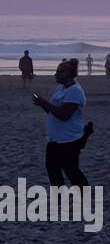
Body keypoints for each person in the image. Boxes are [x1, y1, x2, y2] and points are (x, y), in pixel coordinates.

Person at [33, 59, 91, 187]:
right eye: (57, 71)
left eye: (60, 71)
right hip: (55, 140)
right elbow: (52, 110)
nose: (56, 74)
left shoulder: (74, 91)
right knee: (53, 171)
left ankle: (84, 197)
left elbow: (64, 115)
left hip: (68, 140)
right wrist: (42, 104)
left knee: (71, 171)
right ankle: (59, 199)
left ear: (69, 73)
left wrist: (44, 103)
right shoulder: (60, 88)